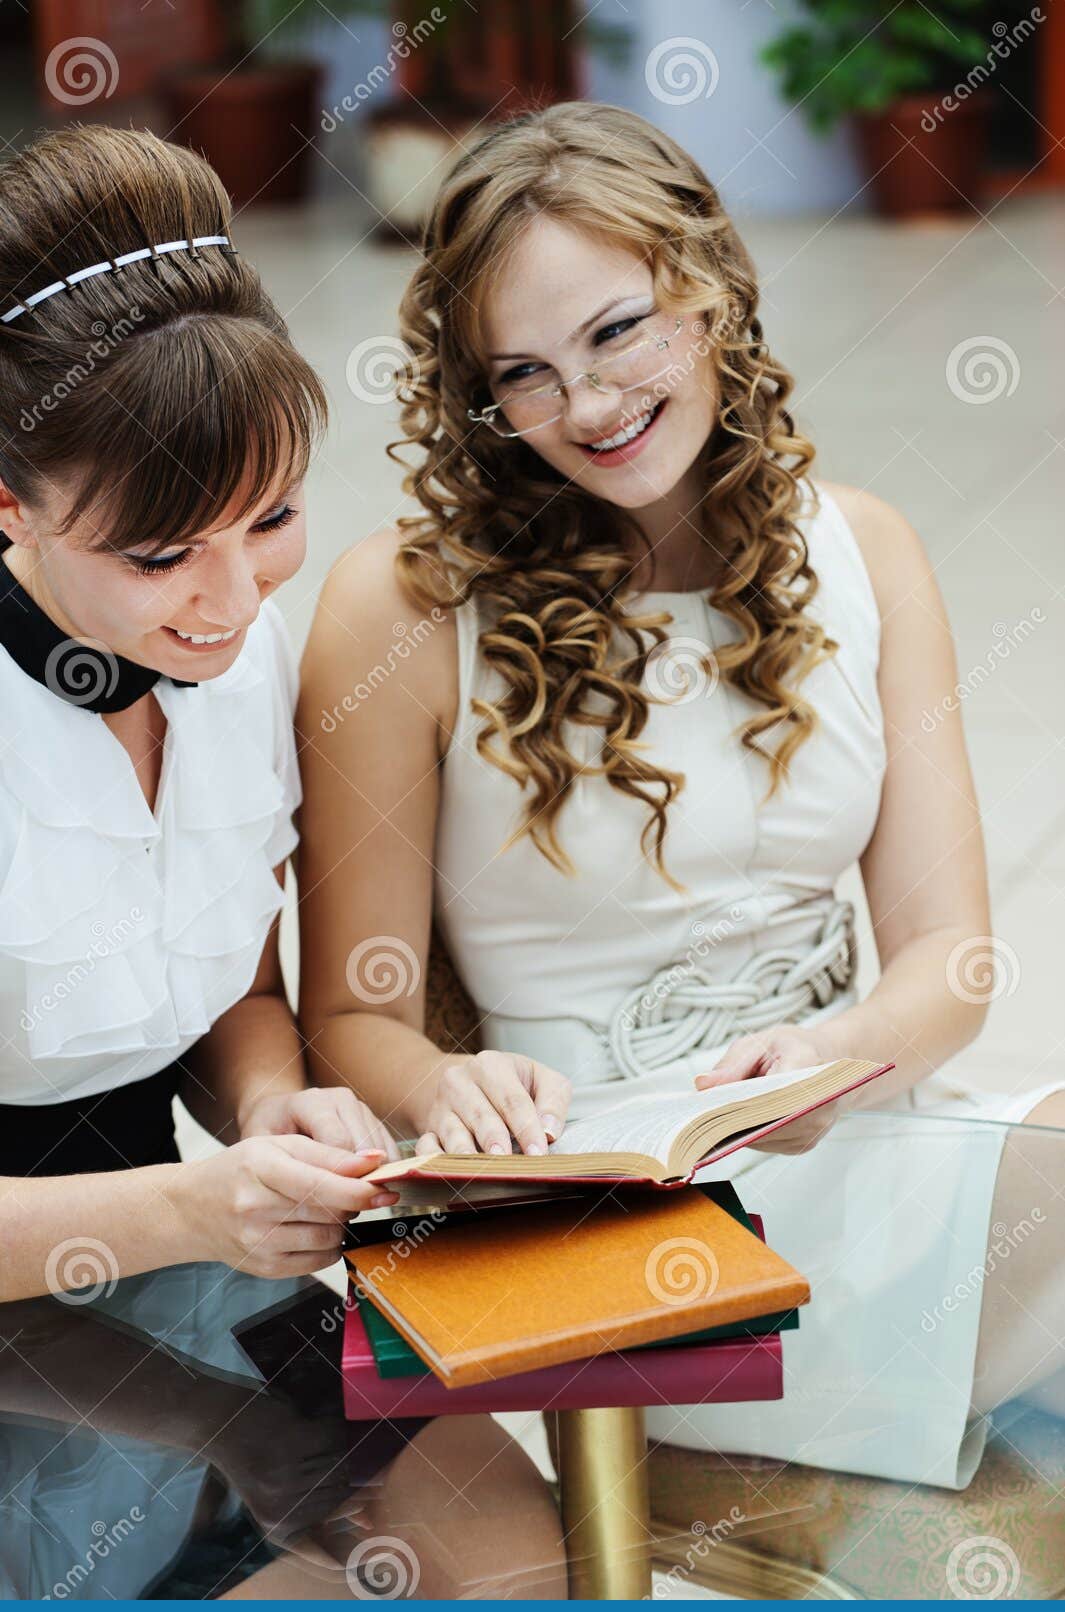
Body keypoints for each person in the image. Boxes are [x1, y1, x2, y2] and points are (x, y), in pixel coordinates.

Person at [297, 102, 1065, 1493]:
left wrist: (841, 1055)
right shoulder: (399, 612)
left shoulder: (866, 550)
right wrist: (444, 1083)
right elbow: (350, 1017)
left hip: (859, 1130)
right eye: (525, 375)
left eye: (618, 333)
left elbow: (951, 960)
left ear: (709, 291)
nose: (588, 407)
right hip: (598, 1206)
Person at [0, 124, 564, 1600]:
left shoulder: (231, 657)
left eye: (271, 520)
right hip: (61, 1260)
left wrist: (271, 1104)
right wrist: (192, 1208)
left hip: (170, 1247)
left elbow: (239, 989)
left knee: (509, 1566)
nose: (231, 598)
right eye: (157, 555)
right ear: (8, 505)